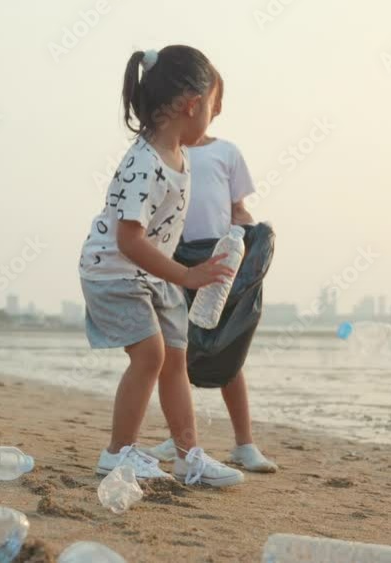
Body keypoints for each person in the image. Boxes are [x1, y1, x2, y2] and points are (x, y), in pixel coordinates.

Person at [78, 46, 244, 488]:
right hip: (113, 270)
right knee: (150, 355)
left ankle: (190, 457)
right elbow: (128, 239)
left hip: (153, 273)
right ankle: (116, 454)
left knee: (175, 359)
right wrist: (187, 275)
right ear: (192, 104)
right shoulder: (143, 162)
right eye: (212, 107)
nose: (212, 118)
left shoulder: (179, 155)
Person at [144, 76, 279, 473]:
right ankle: (179, 437)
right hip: (177, 261)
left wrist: (249, 241)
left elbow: (238, 210)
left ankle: (244, 444)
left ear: (213, 106)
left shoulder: (227, 153)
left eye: (213, 100)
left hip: (219, 260)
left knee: (229, 355)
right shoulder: (164, 154)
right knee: (175, 354)